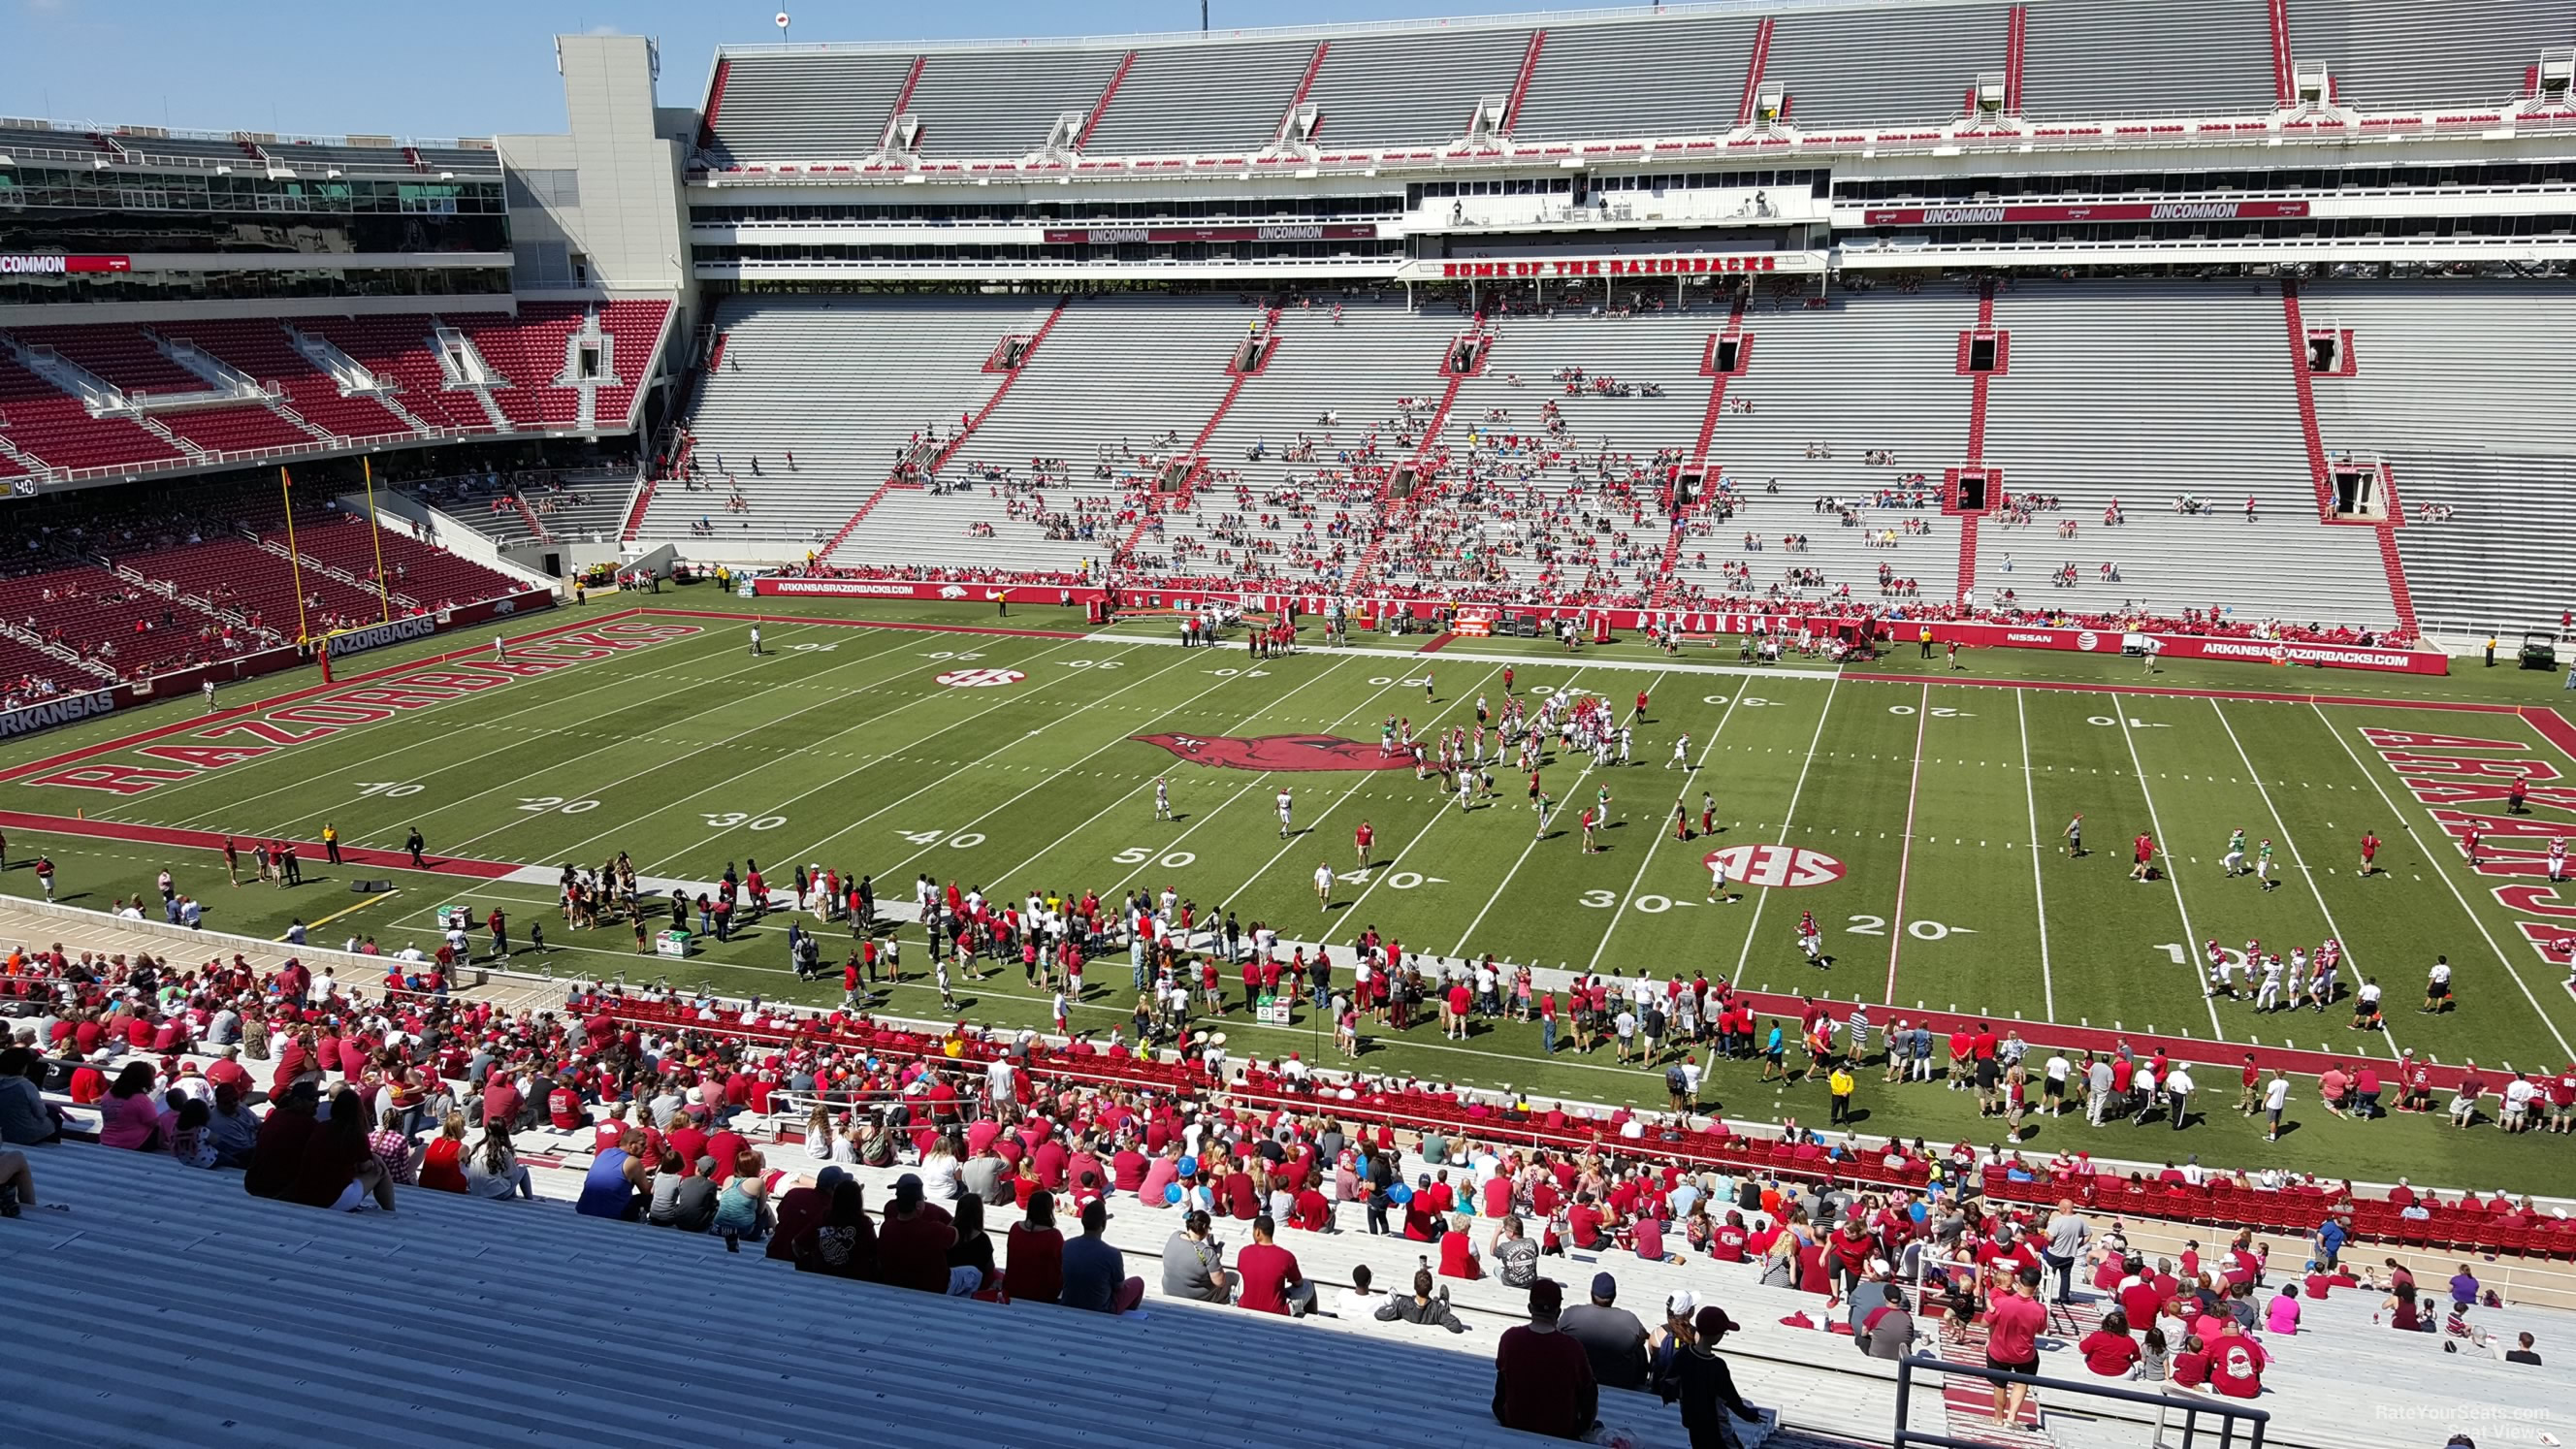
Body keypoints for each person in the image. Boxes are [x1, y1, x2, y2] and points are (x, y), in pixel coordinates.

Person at [1494, 1278, 1599, 1440]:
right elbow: (1589, 1394)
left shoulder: (1510, 1338)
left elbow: (1501, 1386)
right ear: (1558, 1312)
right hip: (1562, 1430)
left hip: (1514, 1421)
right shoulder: (1573, 1347)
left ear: (1529, 1308)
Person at [1666, 1304, 1764, 1449]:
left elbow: (1669, 1382)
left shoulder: (1683, 1355)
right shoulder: (1716, 1366)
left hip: (1693, 1424)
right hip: (1716, 1429)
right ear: (1717, 1335)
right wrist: (1752, 1415)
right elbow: (1732, 1400)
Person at [1561, 1271, 1651, 1391]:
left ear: (1591, 1293)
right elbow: (1644, 1337)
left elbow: (1556, 1335)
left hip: (1577, 1377)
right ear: (1614, 1296)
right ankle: (1642, 1385)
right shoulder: (1629, 1319)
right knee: (1640, 1349)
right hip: (1619, 1382)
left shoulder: (1571, 1313)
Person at [1985, 1266, 2047, 1426]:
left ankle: (1998, 1418)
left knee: (2000, 1384)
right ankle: (2012, 1418)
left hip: (1999, 1351)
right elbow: (2041, 1330)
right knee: (2022, 1382)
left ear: (2018, 1282)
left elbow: (1984, 1323)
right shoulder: (2041, 1310)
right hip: (2024, 1354)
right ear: (2037, 1286)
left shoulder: (2001, 1303)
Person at [1060, 1198, 1144, 1313]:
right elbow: (1119, 1287)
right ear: (1103, 1224)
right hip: (1102, 1308)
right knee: (1138, 1282)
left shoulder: (1067, 1246)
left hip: (1069, 1302)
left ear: (1083, 1221)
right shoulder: (1113, 1254)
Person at [1237, 1213, 1313, 1316]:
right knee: (1309, 1285)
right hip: (1276, 1312)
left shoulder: (1244, 1252)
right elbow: (1298, 1283)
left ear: (1258, 1231)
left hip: (1245, 1306)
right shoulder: (1286, 1256)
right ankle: (1312, 1318)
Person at [1005, 1188, 1066, 1304]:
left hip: (1013, 1289)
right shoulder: (1054, 1236)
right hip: (1042, 1295)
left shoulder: (1015, 1229)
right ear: (1049, 1210)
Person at [1163, 1208, 1232, 1304]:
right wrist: (1217, 1258)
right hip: (1195, 1298)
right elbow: (1220, 1282)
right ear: (1204, 1226)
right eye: (1209, 1228)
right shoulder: (1207, 1252)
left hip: (1169, 1291)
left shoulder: (1175, 1235)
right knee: (1233, 1277)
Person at [1375, 1266, 1469, 1334]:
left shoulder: (1403, 1304)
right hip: (1433, 1311)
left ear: (1414, 1287)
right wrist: (1442, 1315)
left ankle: (1443, 1302)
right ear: (1431, 1288)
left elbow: (1379, 1313)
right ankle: (1444, 1302)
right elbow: (1456, 1326)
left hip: (1411, 1314)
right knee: (1440, 1303)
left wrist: (1396, 1304)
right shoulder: (1437, 1309)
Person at [465, 1124, 535, 1200]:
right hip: (496, 1194)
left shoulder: (476, 1147)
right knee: (523, 1168)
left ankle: (513, 1195)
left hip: (475, 1191)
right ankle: (530, 1199)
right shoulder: (502, 1150)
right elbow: (510, 1174)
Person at [2080, 1307, 2141, 1376]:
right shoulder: (2130, 1341)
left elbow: (2083, 1350)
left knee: (2085, 1356)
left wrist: (2083, 1337)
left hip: (2094, 1371)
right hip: (2120, 1375)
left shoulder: (2097, 1336)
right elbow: (2137, 1356)